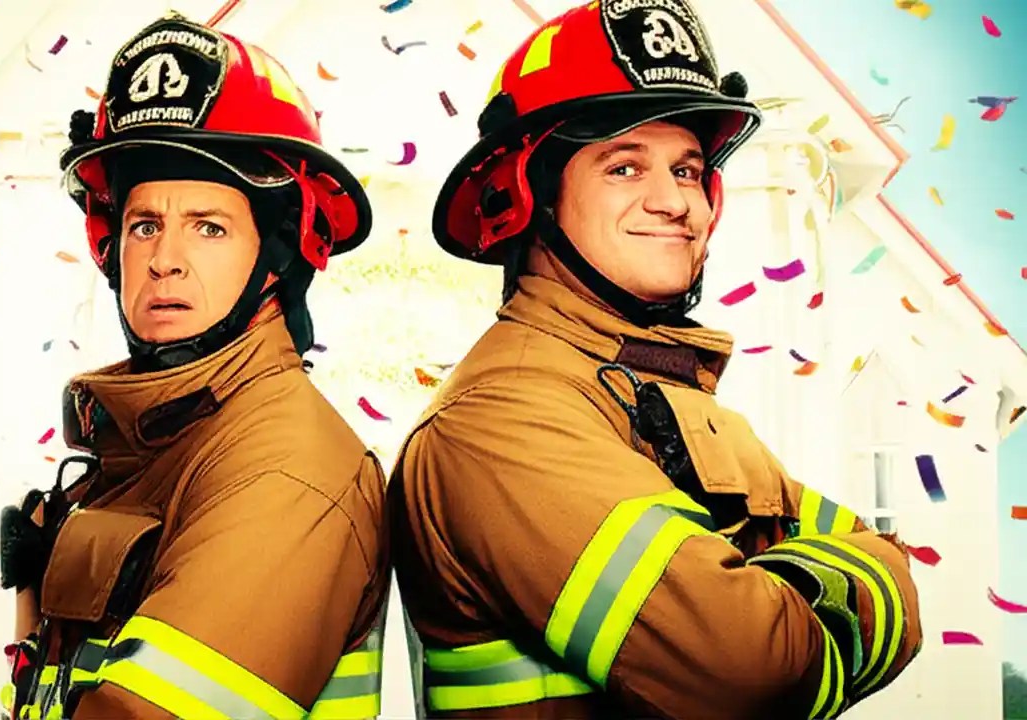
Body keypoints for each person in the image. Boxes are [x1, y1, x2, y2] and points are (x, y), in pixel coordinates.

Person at [389, 1, 923, 718]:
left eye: (689, 169)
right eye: (624, 166)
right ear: (526, 196)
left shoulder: (674, 392)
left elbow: (875, 547)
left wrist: (823, 584)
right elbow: (749, 672)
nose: (675, 202)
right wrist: (847, 585)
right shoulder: (501, 423)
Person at [0, 12, 390, 720]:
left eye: (209, 226)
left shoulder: (288, 470)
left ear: (278, 254)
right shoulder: (159, 440)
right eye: (144, 224)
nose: (163, 257)